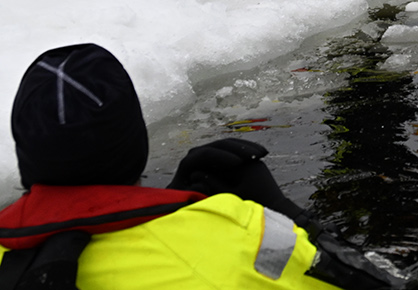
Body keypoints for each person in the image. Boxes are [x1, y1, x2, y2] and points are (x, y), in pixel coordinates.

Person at [0, 43, 394, 288]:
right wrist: (290, 215)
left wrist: (165, 203)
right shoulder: (239, 236)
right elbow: (379, 283)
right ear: (135, 144)